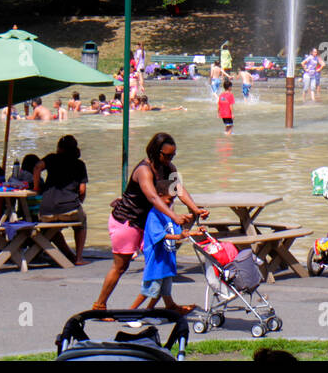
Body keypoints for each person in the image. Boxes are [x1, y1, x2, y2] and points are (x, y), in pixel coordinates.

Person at [93, 133, 209, 311]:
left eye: (173, 155)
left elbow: (179, 189)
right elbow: (153, 197)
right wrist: (174, 216)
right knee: (121, 265)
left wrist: (195, 209)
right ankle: (99, 305)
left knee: (160, 261)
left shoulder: (168, 168)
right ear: (156, 152)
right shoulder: (143, 170)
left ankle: (169, 305)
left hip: (149, 222)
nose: (170, 159)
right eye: (167, 155)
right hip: (128, 221)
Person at [34, 135, 89, 265]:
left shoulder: (51, 158)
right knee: (82, 222)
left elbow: (37, 167)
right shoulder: (79, 164)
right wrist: (79, 201)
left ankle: (68, 254)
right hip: (70, 208)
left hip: (47, 210)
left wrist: (36, 188)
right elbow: (82, 190)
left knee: (48, 229)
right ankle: (78, 258)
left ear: (59, 147)